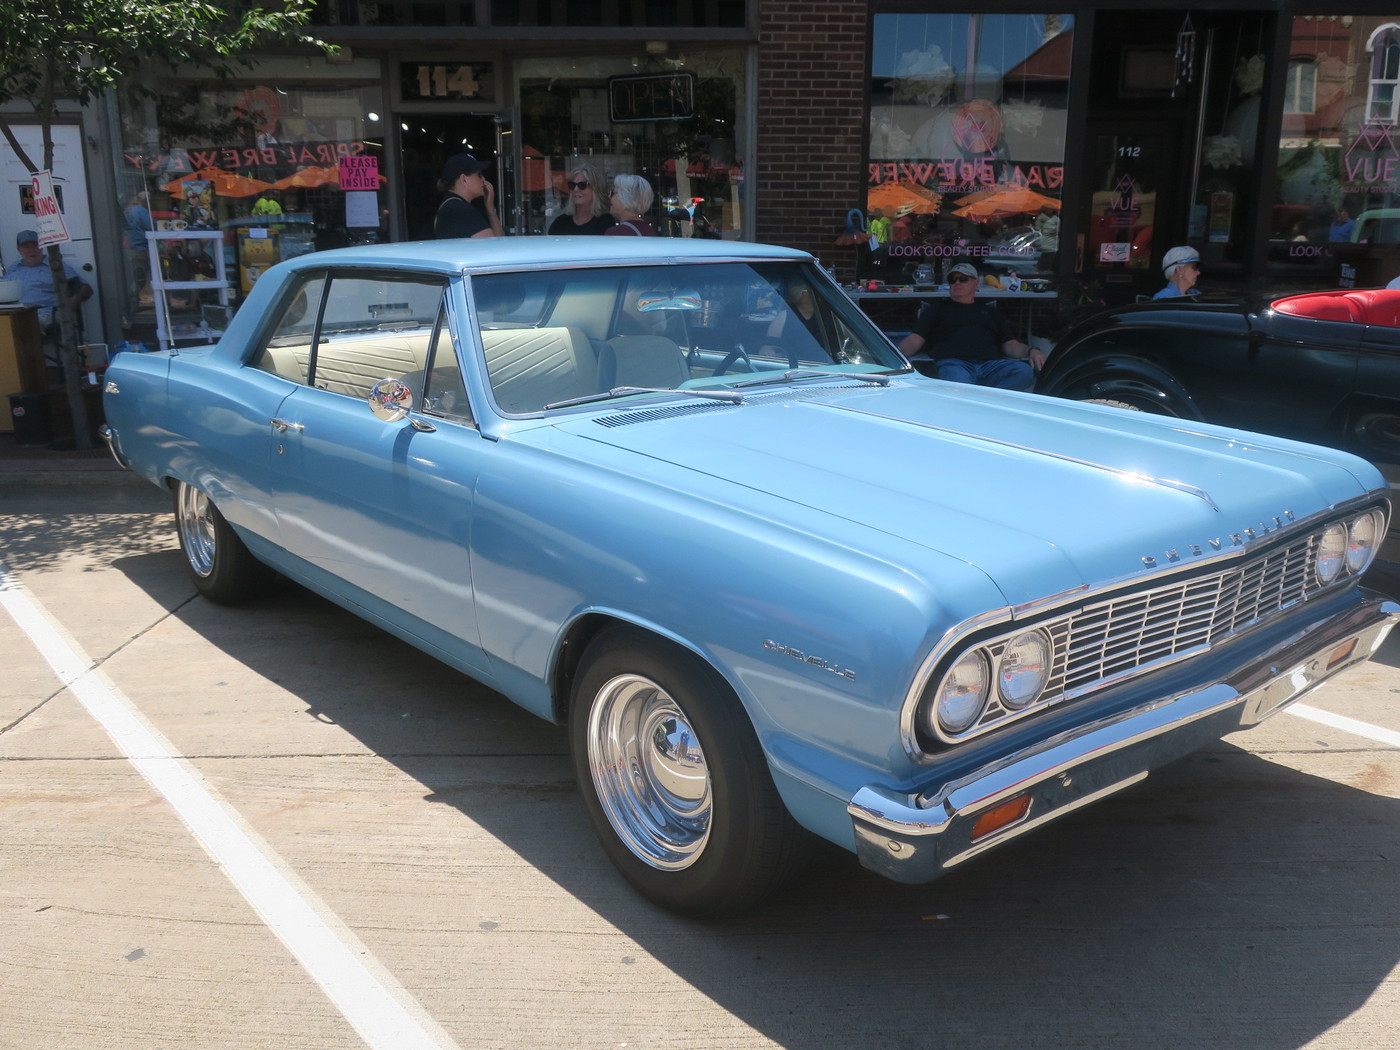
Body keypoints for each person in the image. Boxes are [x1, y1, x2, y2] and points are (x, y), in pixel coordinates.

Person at [897, 261, 1041, 390]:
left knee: (1023, 372)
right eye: (953, 280)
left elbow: (1010, 345)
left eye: (963, 279)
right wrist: (893, 354)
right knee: (957, 380)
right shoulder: (936, 310)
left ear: (975, 283)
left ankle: (985, 402)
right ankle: (986, 402)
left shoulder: (990, 312)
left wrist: (1032, 351)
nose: (957, 283)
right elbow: (915, 339)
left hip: (990, 366)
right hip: (954, 364)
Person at [4, 229, 93, 381]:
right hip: (16, 312)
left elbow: (85, 288)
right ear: (19, 249)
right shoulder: (13, 268)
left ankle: (30, 377)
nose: (31, 250)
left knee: (27, 326)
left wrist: (74, 301)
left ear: (42, 247)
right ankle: (13, 375)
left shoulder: (55, 266)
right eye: (26, 246)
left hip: (45, 313)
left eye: (35, 245)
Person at [434, 153, 503, 239]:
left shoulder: (452, 205)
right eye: (479, 175)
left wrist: (490, 207)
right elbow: (497, 245)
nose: (483, 179)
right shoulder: (460, 210)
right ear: (464, 179)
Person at [547, 164, 616, 235]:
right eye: (572, 185)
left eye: (582, 185)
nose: (575, 189)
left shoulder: (606, 221)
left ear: (596, 189)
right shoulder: (560, 223)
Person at [1033, 204, 1060, 271]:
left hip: (1049, 247)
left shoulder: (1052, 220)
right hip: (1049, 246)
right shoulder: (1052, 220)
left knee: (1042, 267)